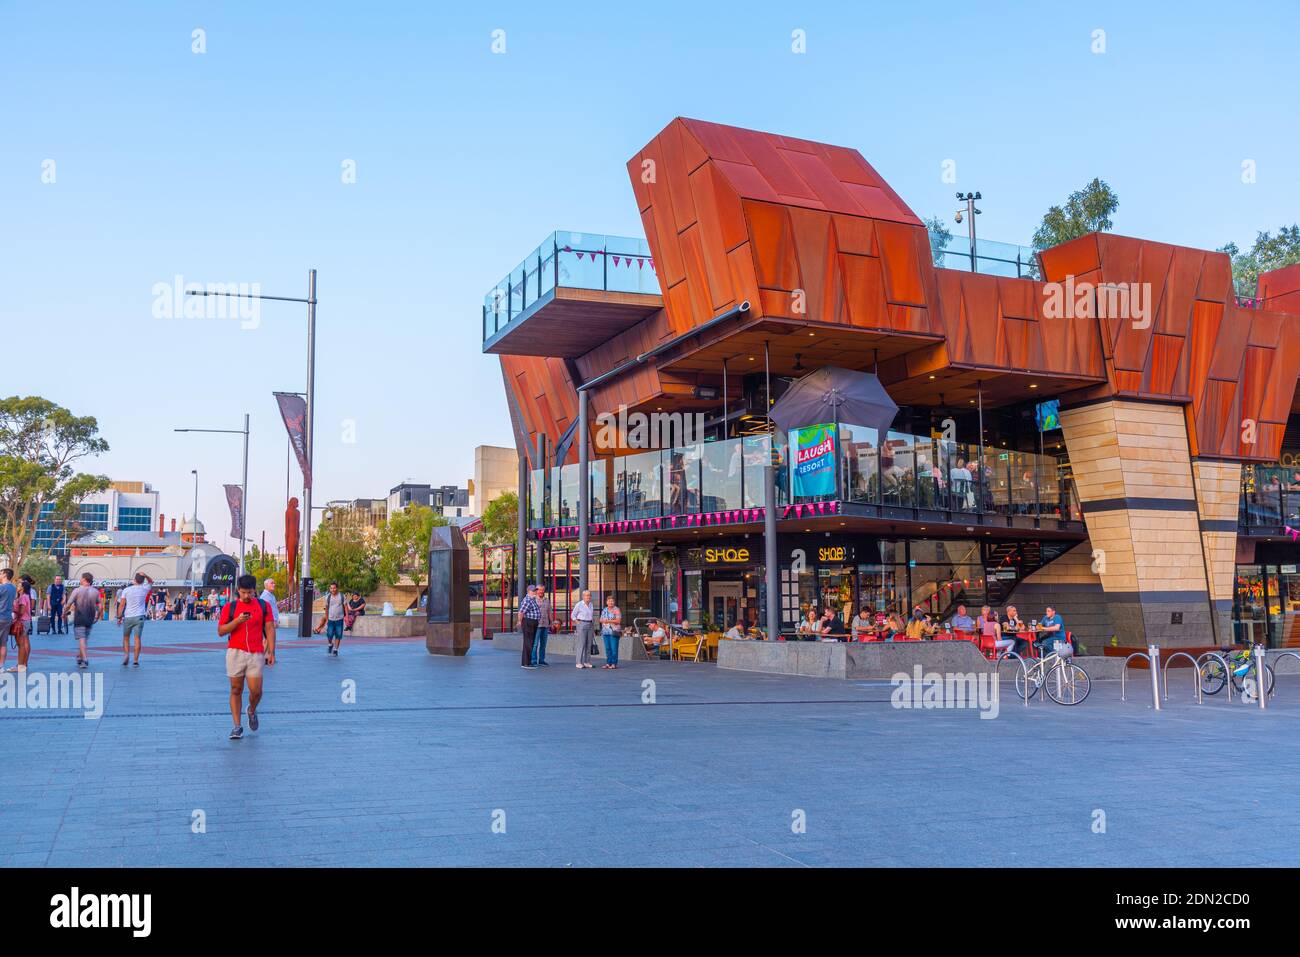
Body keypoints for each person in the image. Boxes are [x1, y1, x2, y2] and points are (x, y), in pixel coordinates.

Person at [217, 573, 276, 741]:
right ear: (238, 591)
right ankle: (237, 726)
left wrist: (271, 651)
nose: (247, 596)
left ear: (254, 591)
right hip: (235, 652)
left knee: (256, 691)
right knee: (236, 689)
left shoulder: (263, 606)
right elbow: (221, 631)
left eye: (250, 592)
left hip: (256, 653)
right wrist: (237, 621)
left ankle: (251, 710)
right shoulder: (231, 607)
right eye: (243, 592)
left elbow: (270, 628)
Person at [115, 572, 154, 667]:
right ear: (142, 580)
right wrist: (146, 575)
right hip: (140, 616)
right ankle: (135, 661)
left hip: (128, 617)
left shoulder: (126, 590)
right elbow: (151, 581)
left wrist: (119, 617)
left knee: (126, 638)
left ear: (134, 580)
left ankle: (126, 655)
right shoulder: (145, 589)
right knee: (137, 638)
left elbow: (122, 604)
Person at [65, 573, 100, 669]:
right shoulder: (95, 591)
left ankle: (84, 659)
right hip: (90, 618)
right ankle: (79, 657)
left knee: (81, 639)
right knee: (85, 639)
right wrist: (98, 616)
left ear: (84, 579)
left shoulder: (77, 590)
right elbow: (99, 605)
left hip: (80, 617)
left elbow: (69, 603)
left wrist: (64, 612)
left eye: (81, 578)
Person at [9, 574, 35, 672]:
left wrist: (13, 610)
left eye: (19, 585)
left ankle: (20, 666)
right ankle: (22, 665)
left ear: (23, 588)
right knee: (22, 643)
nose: (17, 587)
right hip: (25, 621)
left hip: (22, 621)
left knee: (20, 644)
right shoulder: (25, 596)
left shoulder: (23, 597)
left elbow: (22, 611)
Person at [314, 581, 347, 656]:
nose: (333, 589)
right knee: (329, 634)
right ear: (330, 589)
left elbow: (345, 607)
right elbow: (326, 608)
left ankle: (335, 650)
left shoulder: (342, 596)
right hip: (331, 619)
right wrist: (327, 617)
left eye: (334, 588)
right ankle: (330, 644)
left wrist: (347, 617)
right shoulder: (328, 597)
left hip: (339, 619)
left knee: (338, 635)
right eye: (331, 588)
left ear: (337, 588)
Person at [518, 584, 541, 670]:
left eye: (535, 590)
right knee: (528, 643)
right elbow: (521, 612)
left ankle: (528, 662)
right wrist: (520, 621)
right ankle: (525, 663)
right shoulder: (527, 600)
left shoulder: (532, 599)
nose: (535, 592)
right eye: (533, 591)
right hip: (528, 622)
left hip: (532, 623)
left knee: (530, 642)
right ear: (528, 591)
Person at [571, 589, 595, 669]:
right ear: (583, 596)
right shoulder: (579, 604)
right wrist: (578, 622)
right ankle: (578, 662)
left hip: (590, 624)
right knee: (581, 643)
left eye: (589, 595)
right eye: (587, 595)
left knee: (589, 644)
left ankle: (587, 662)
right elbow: (573, 615)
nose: (588, 597)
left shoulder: (591, 604)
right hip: (582, 623)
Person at [599, 595, 622, 669]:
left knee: (614, 648)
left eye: (612, 601)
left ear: (614, 602)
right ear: (606, 602)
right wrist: (606, 621)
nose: (610, 602)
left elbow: (618, 621)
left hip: (614, 632)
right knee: (608, 648)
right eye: (609, 601)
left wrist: (607, 621)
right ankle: (608, 663)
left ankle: (614, 663)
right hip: (605, 632)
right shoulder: (604, 610)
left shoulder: (616, 609)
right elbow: (600, 620)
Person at [532, 586, 552, 667]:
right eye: (540, 590)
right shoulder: (533, 599)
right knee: (535, 644)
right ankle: (533, 660)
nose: (541, 591)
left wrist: (551, 622)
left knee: (543, 644)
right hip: (537, 625)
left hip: (545, 624)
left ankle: (541, 660)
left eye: (543, 590)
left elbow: (549, 612)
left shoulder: (547, 600)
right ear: (536, 590)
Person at [0, 569, 15, 672]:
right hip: (7, 617)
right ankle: (1, 666)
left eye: (1, 573)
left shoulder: (1, 588)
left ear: (5, 575)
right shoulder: (13, 588)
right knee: (3, 643)